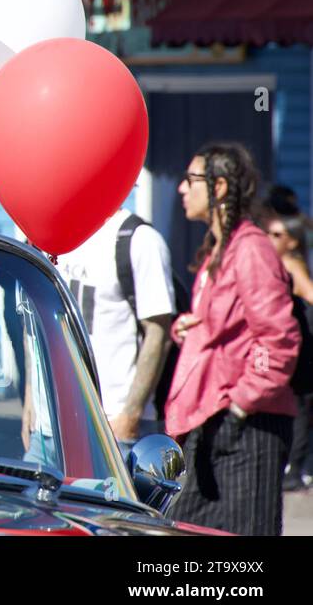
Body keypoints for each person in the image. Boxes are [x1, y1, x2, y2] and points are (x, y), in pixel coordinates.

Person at [166, 142, 300, 536]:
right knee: (185, 529)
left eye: (191, 180)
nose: (181, 189)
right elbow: (231, 326)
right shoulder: (218, 251)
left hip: (249, 424)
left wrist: (241, 408)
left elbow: (279, 340)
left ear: (219, 187)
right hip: (211, 418)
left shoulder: (252, 250)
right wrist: (192, 326)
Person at [55, 209, 175, 454]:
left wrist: (130, 415)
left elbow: (158, 333)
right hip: (53, 424)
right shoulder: (56, 230)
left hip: (113, 426)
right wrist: (33, 408)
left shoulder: (139, 240)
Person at [262, 211, 313, 490]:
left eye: (277, 235)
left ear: (292, 242)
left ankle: (293, 471)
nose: (270, 239)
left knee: (301, 407)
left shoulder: (290, 263)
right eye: (268, 233)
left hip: (298, 345)